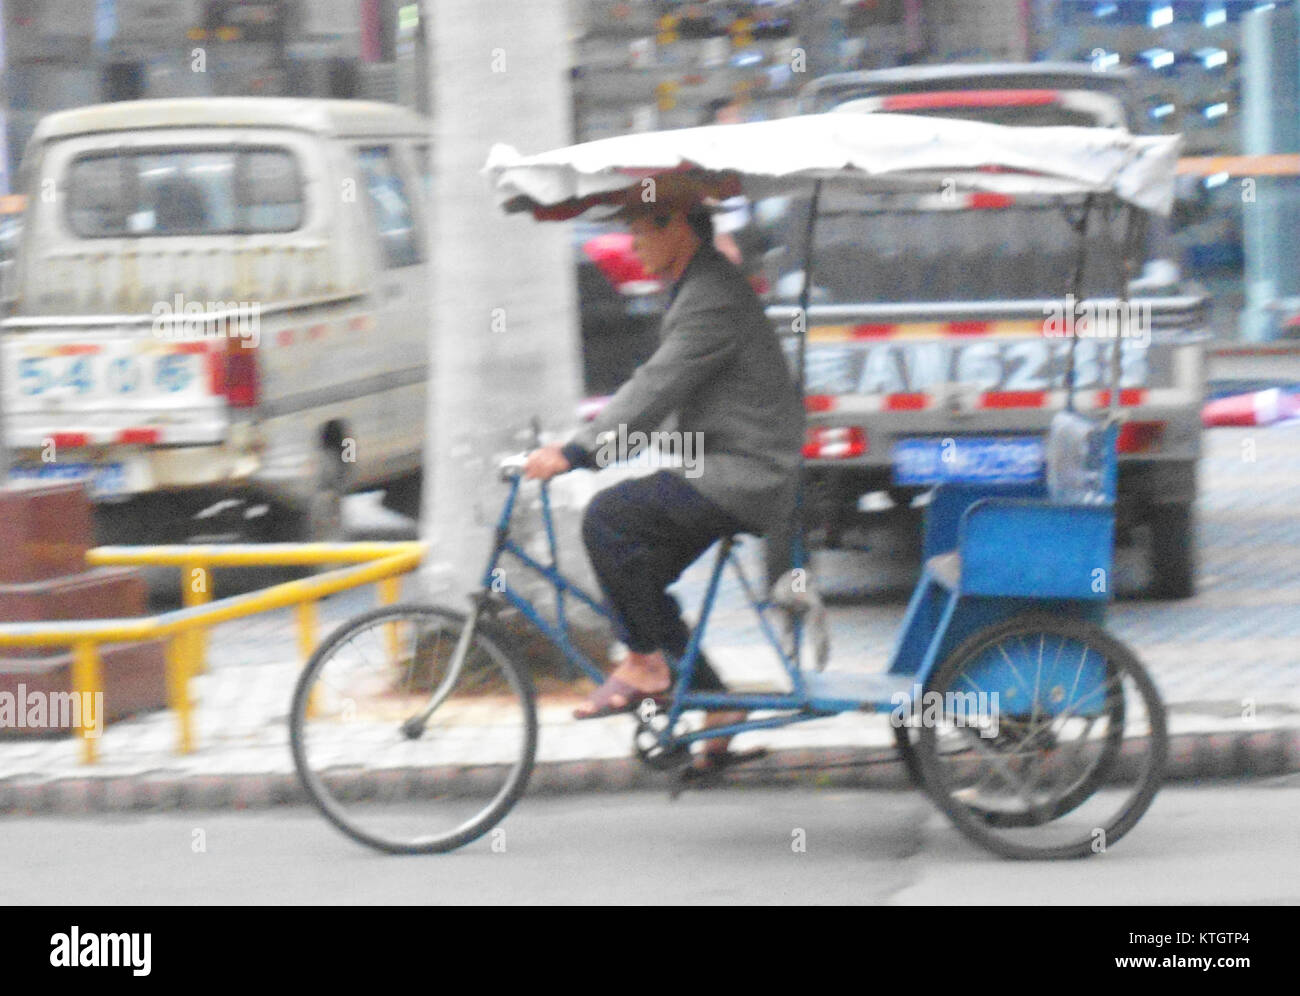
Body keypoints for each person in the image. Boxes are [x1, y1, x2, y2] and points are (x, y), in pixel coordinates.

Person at [524, 198, 804, 765]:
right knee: (639, 576)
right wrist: (596, 452)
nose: (633, 245)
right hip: (719, 460)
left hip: (746, 471)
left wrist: (577, 452)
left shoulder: (711, 297)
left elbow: (656, 387)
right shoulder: (697, 286)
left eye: (639, 231)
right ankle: (716, 701)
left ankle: (647, 665)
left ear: (676, 225)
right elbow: (661, 401)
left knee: (610, 518)